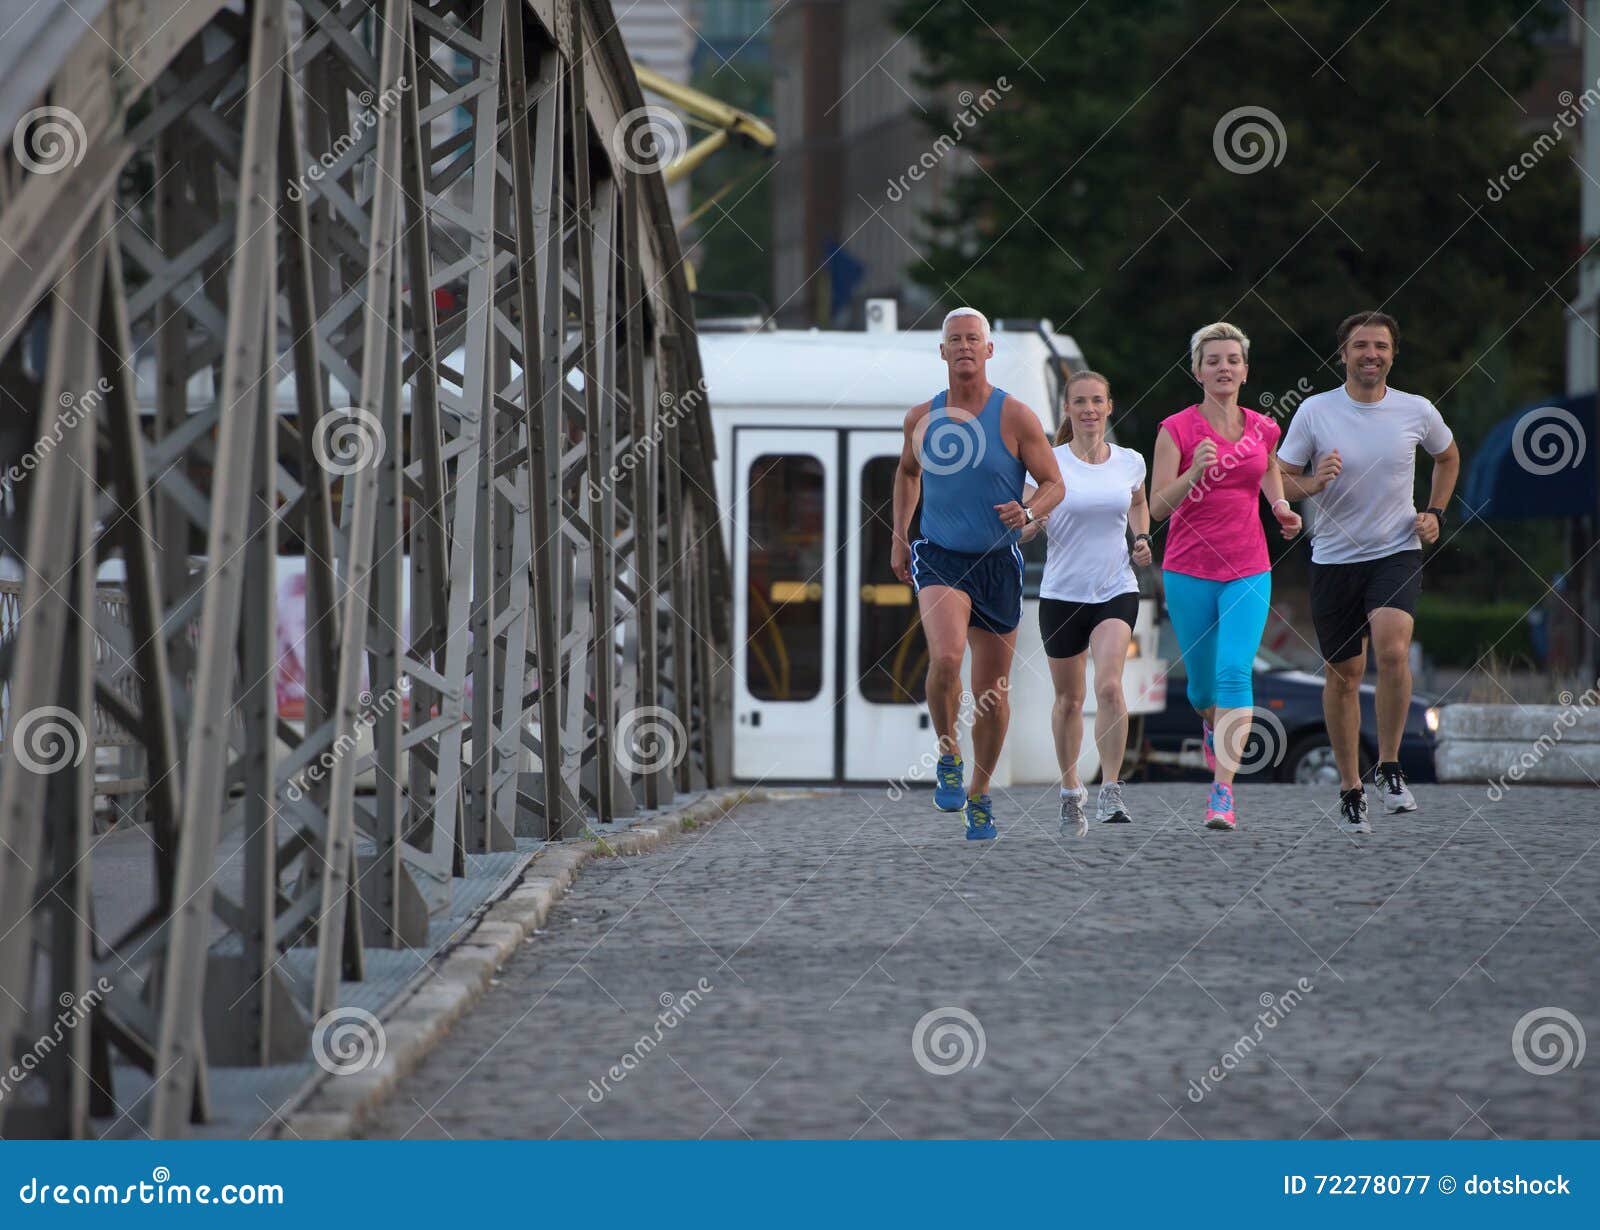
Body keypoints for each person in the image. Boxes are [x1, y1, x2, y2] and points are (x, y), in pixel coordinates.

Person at [1276, 311, 1460, 833]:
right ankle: (1350, 787)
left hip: (1395, 549)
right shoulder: (1315, 412)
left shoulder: (1416, 410)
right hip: (1334, 557)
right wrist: (1314, 481)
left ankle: (1392, 766)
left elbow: (1448, 458)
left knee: (1393, 648)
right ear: (1343, 354)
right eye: (1360, 345)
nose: (1371, 354)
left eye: (1380, 346)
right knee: (1344, 675)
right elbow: (1279, 479)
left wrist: (1436, 513)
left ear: (1393, 354)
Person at [891, 307, 1065, 841]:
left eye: (974, 339)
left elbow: (1054, 483)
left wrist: (1030, 511)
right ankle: (948, 755)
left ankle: (981, 793)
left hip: (999, 563)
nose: (965, 347)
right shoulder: (922, 417)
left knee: (992, 691)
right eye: (955, 340)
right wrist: (900, 536)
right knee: (946, 657)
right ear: (942, 352)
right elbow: (907, 472)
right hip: (941, 555)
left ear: (989, 351)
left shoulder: (1016, 417)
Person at [1149, 322, 1301, 831]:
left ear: (1245, 370)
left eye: (1232, 359)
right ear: (1197, 371)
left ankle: (1223, 794)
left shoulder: (1263, 427)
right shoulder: (1176, 429)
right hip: (1188, 569)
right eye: (1212, 360)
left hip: (1249, 569)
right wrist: (1194, 473)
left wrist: (1279, 505)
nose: (1223, 368)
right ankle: (1212, 728)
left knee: (1236, 672)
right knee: (1199, 690)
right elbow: (1154, 507)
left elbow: (1269, 469)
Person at [1016, 371, 1152, 837]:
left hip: (1115, 587)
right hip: (1061, 595)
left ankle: (1111, 789)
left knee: (1111, 687)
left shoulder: (1131, 461)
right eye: (1080, 402)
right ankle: (1072, 791)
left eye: (1097, 400)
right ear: (1068, 410)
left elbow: (1138, 503)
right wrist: (1027, 524)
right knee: (1069, 700)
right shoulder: (1049, 463)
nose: (1090, 408)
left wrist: (1142, 537)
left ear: (1109, 406)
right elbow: (1031, 516)